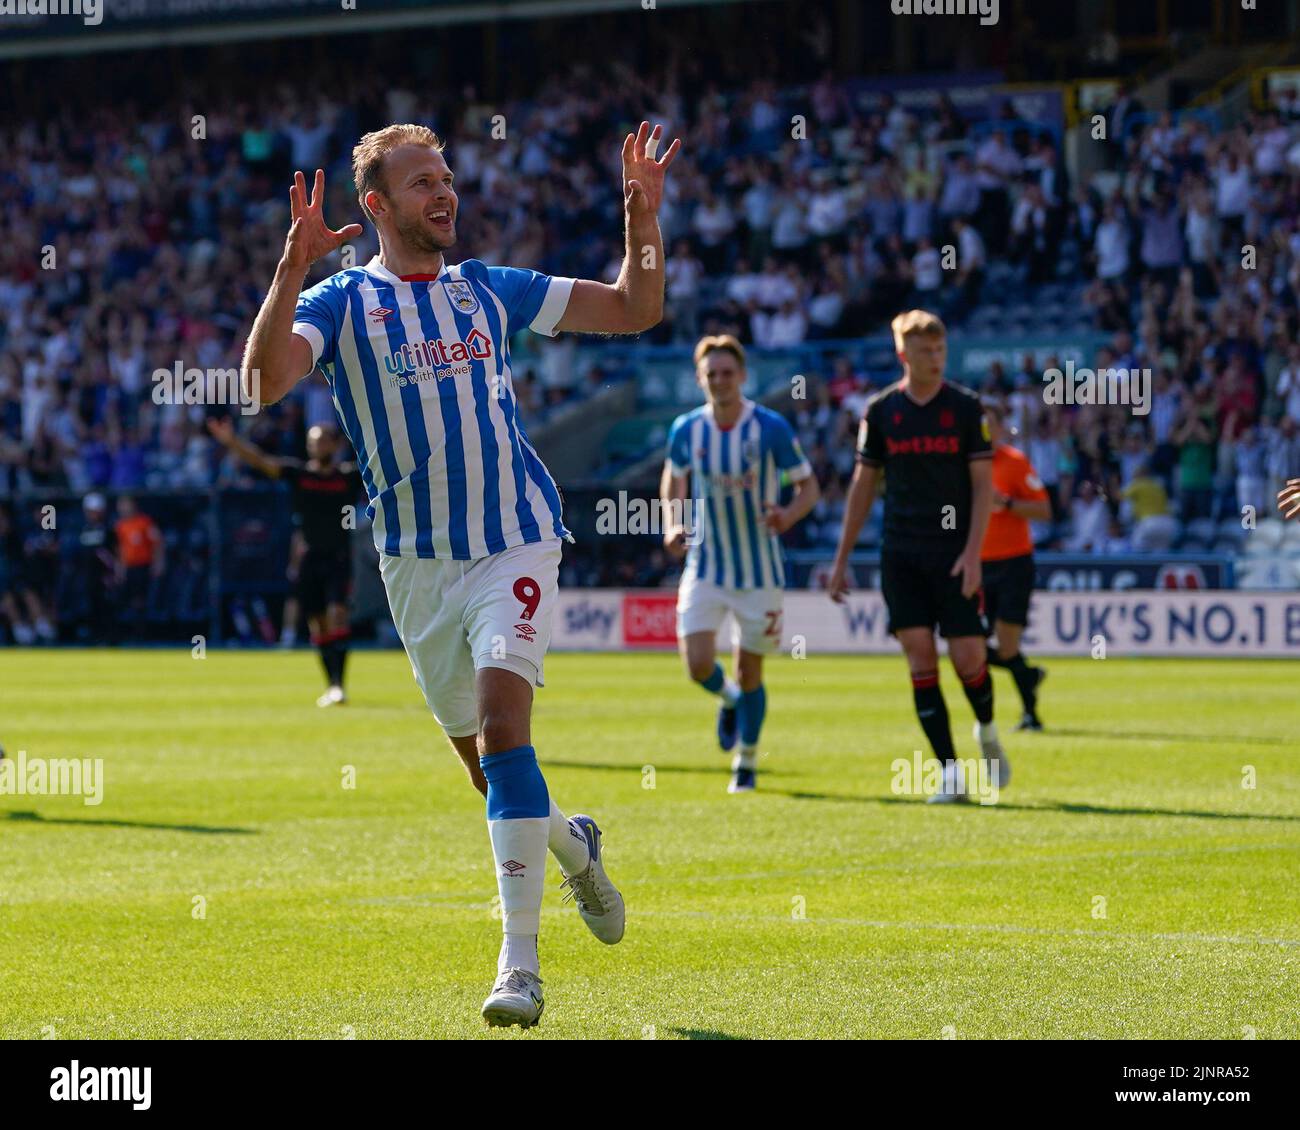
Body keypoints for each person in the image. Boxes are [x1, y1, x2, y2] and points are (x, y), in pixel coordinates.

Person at [240, 120, 679, 1027]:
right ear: (377, 206)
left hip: (516, 538)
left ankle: (520, 966)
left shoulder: (488, 289)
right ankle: (575, 843)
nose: (444, 194)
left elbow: (636, 308)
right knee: (491, 773)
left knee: (507, 729)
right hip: (414, 565)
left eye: (447, 177)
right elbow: (261, 383)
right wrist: (290, 269)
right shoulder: (340, 301)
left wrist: (643, 221)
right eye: (421, 183)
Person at [827, 310, 1007, 802]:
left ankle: (987, 729)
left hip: (954, 554)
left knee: (969, 657)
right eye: (925, 351)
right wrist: (842, 559)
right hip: (901, 553)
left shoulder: (968, 409)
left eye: (940, 349)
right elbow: (864, 487)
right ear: (904, 354)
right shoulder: (882, 412)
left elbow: (983, 486)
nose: (934, 358)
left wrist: (974, 555)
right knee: (920, 656)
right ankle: (950, 773)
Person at [660, 334, 819, 793]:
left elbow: (807, 486)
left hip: (760, 574)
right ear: (700, 379)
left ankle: (746, 763)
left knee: (751, 670)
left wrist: (787, 514)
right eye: (712, 374)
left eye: (728, 372)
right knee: (696, 665)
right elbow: (674, 476)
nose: (720, 381)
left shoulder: (770, 429)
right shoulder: (687, 429)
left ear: (743, 376)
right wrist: (673, 521)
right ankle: (727, 699)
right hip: (706, 566)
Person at [208, 417, 361, 706]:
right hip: (309, 559)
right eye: (314, 442)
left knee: (338, 615)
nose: (318, 446)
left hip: (339, 558)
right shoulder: (300, 475)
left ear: (336, 445)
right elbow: (262, 461)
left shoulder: (348, 477)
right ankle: (331, 685)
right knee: (318, 624)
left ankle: (340, 684)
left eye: (324, 441)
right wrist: (231, 442)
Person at [979, 402, 1051, 731]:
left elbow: (1043, 511)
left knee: (1007, 646)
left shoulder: (1015, 463)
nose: (984, 431)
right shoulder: (964, 466)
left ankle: (1030, 714)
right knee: (970, 648)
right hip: (977, 565)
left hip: (1013, 564)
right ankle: (1028, 675)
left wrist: (1006, 503)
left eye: (989, 425)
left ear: (999, 428)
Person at [114, 495, 165, 642]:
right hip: (128, 567)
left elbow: (157, 542)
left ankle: (141, 634)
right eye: (121, 505)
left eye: (126, 504)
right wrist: (120, 567)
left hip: (142, 566)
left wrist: (158, 562)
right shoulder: (120, 525)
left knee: (140, 600)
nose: (123, 508)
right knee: (124, 600)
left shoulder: (144, 522)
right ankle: (124, 633)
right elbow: (120, 549)